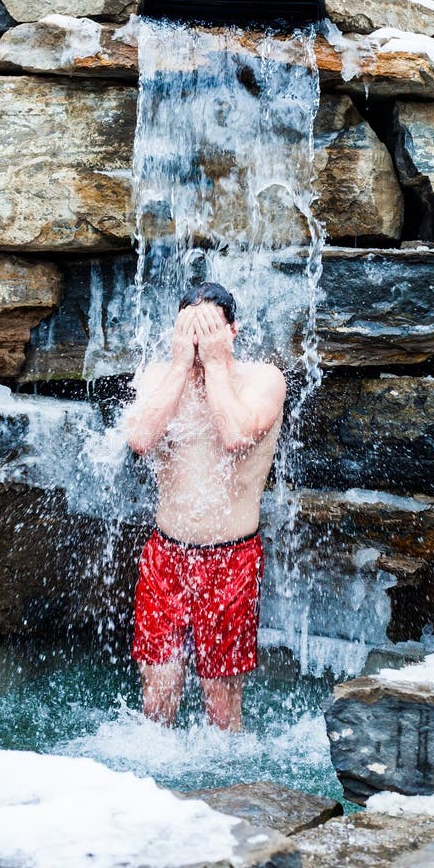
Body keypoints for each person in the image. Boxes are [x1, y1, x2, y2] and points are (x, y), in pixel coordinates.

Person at [124, 283, 286, 731]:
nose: (199, 343)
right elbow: (139, 440)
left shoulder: (263, 379)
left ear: (232, 330)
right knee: (157, 700)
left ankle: (226, 795)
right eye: (189, 332)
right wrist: (181, 364)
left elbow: (236, 434)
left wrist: (215, 362)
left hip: (231, 558)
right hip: (166, 556)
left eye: (209, 330)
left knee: (220, 708)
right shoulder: (159, 378)